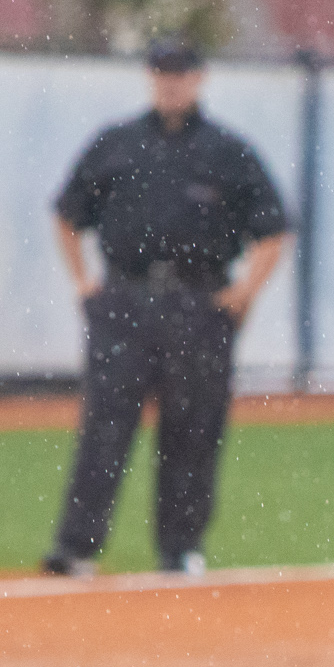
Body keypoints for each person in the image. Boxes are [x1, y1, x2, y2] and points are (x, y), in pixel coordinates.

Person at [40, 38, 289, 578]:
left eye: (180, 73)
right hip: (125, 300)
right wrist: (83, 284)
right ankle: (76, 547)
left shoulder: (226, 152)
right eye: (162, 73)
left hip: (198, 302)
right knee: (105, 426)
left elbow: (274, 228)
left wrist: (245, 291)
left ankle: (180, 547)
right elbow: (67, 213)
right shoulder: (118, 144)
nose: (171, 83)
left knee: (193, 429)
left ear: (199, 78)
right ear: (150, 78)